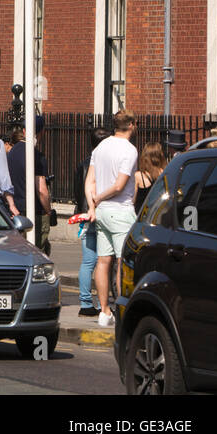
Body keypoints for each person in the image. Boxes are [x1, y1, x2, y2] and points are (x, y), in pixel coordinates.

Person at [79, 111, 138, 327]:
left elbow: (89, 182)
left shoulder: (101, 146)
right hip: (120, 211)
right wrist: (100, 197)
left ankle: (104, 312)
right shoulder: (130, 150)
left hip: (101, 213)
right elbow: (119, 186)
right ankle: (122, 312)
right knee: (123, 264)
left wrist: (93, 206)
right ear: (131, 125)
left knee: (103, 261)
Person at [76, 128, 109, 318]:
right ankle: (101, 302)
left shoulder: (82, 164)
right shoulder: (104, 165)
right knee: (103, 261)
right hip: (102, 214)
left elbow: (77, 191)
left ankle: (85, 302)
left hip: (85, 216)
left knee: (88, 261)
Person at [7, 115, 52, 254]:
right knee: (37, 252)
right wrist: (48, 210)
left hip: (15, 210)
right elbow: (41, 189)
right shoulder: (36, 156)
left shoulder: (12, 152)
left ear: (25, 130)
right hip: (34, 212)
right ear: (41, 132)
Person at [133, 141, 167, 212]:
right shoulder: (165, 173)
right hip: (157, 215)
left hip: (141, 215)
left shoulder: (139, 176)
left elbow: (133, 200)